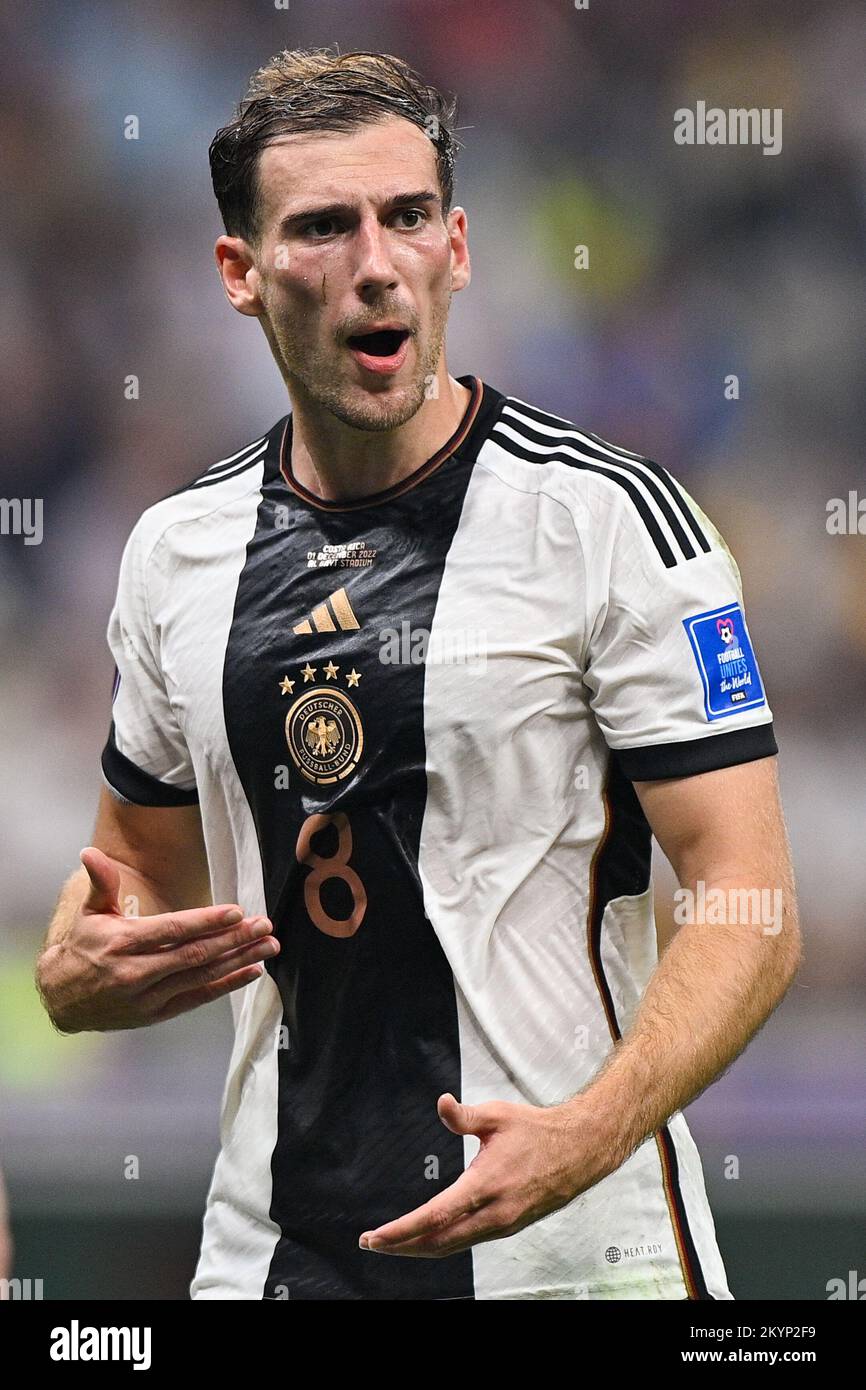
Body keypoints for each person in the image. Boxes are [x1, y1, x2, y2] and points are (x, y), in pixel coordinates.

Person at [35, 48, 800, 1301]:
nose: (374, 264)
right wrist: (75, 972)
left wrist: (588, 1132)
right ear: (240, 273)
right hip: (270, 1257)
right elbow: (129, 888)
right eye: (324, 228)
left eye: (404, 219)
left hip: (577, 1257)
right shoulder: (174, 554)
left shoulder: (611, 524)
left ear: (456, 245)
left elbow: (749, 902)